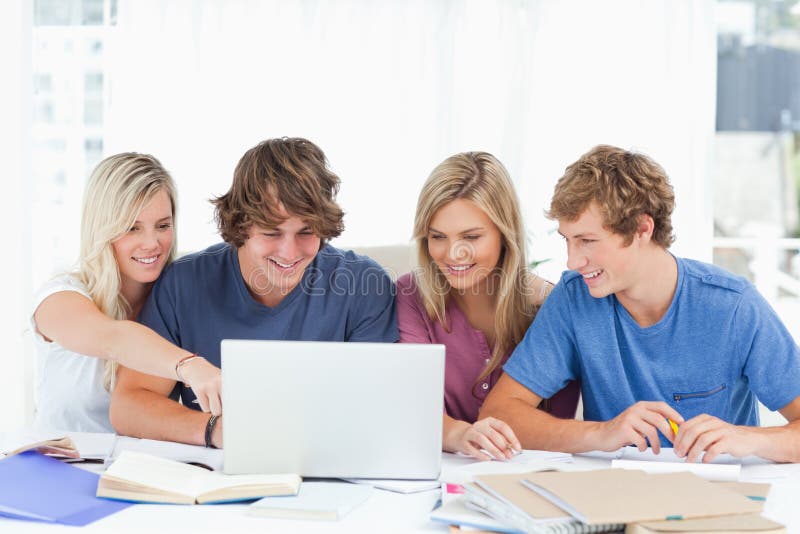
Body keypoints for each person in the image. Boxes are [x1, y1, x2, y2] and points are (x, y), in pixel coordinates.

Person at [481, 145, 800, 463]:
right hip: (617, 496)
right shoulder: (574, 299)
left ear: (641, 229)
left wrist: (747, 439)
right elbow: (498, 414)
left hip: (717, 496)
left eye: (587, 241)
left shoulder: (733, 307)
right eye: (567, 239)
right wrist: (601, 434)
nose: (572, 260)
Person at [110, 137, 398, 447]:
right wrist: (217, 431)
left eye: (307, 232)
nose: (289, 252)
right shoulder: (184, 284)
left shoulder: (364, 285)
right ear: (240, 225)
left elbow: (381, 412)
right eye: (271, 232)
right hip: (216, 475)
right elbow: (130, 406)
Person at [396, 152, 580, 460]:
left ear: (504, 235)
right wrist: (460, 435)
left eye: (472, 236)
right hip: (439, 475)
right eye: (437, 236)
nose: (454, 253)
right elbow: (412, 408)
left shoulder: (551, 307)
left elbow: (554, 426)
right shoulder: (411, 296)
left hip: (530, 474)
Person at [31, 153, 222, 433]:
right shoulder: (59, 298)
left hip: (141, 469)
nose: (151, 243)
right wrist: (189, 366)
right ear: (103, 229)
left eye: (163, 226)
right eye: (131, 228)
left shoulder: (175, 299)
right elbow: (114, 339)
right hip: (63, 467)